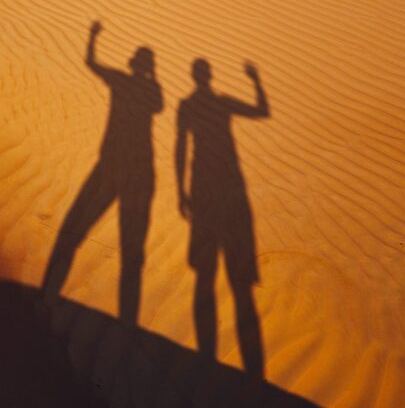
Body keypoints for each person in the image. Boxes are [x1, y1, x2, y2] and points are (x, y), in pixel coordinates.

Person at [43, 21, 163, 326]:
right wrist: (152, 72)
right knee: (129, 245)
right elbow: (158, 106)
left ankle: (48, 295)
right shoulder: (149, 87)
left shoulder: (126, 82)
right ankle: (127, 320)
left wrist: (93, 38)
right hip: (132, 169)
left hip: (116, 166)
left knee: (80, 228)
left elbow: (91, 63)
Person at [175, 59, 268, 377]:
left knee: (205, 275)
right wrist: (255, 80)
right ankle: (253, 373)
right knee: (239, 281)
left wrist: (180, 191)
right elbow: (262, 110)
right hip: (229, 190)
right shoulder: (222, 102)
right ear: (210, 76)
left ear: (193, 77)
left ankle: (207, 361)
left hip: (203, 191)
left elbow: (179, 148)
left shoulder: (186, 106)